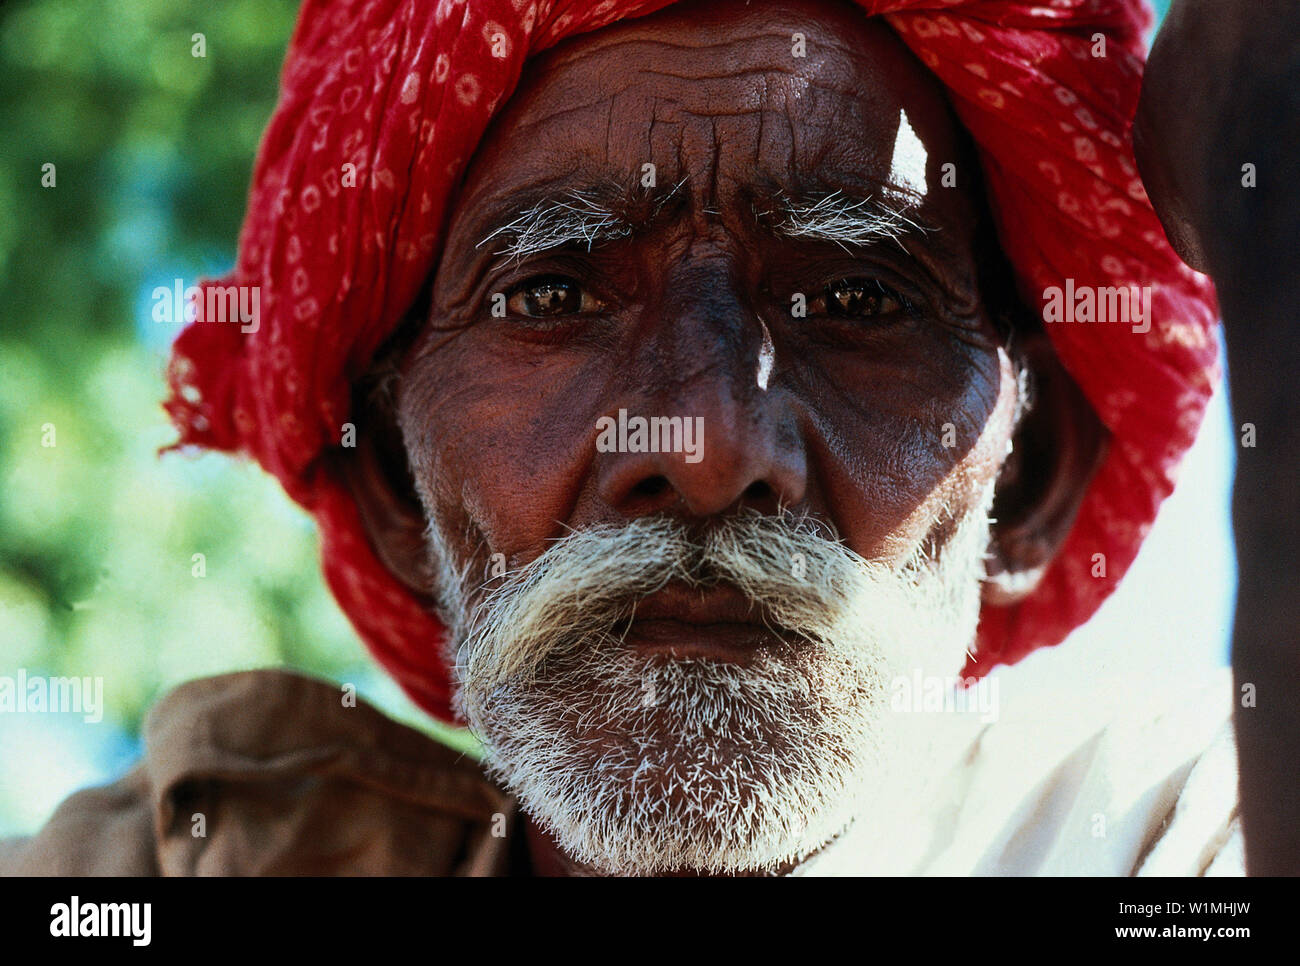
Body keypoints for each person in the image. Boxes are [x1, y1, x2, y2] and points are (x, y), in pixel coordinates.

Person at [0, 0, 1255, 876]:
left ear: (1026, 476)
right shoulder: (183, 866)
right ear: (391, 480)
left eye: (856, 299)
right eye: (547, 295)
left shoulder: (1173, 839)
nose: (709, 444)